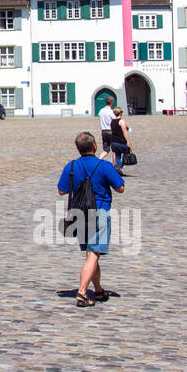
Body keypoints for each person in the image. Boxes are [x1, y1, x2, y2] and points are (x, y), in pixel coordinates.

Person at [57, 131, 126, 307]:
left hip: (79, 213)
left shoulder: (71, 166)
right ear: (94, 145)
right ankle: (81, 292)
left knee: (91, 254)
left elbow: (61, 190)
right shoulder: (103, 166)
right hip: (99, 212)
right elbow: (120, 188)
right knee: (94, 254)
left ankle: (98, 290)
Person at [108, 106, 132, 172]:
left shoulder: (112, 121)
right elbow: (125, 132)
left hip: (114, 142)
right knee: (126, 155)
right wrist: (128, 141)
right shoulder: (121, 121)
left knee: (118, 156)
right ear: (120, 113)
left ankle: (118, 168)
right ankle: (119, 167)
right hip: (121, 141)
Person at [97, 96, 116, 160]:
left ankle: (98, 160)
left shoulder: (101, 110)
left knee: (106, 149)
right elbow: (115, 120)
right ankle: (114, 165)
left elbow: (99, 116)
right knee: (114, 149)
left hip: (103, 131)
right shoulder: (111, 111)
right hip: (110, 131)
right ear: (112, 102)